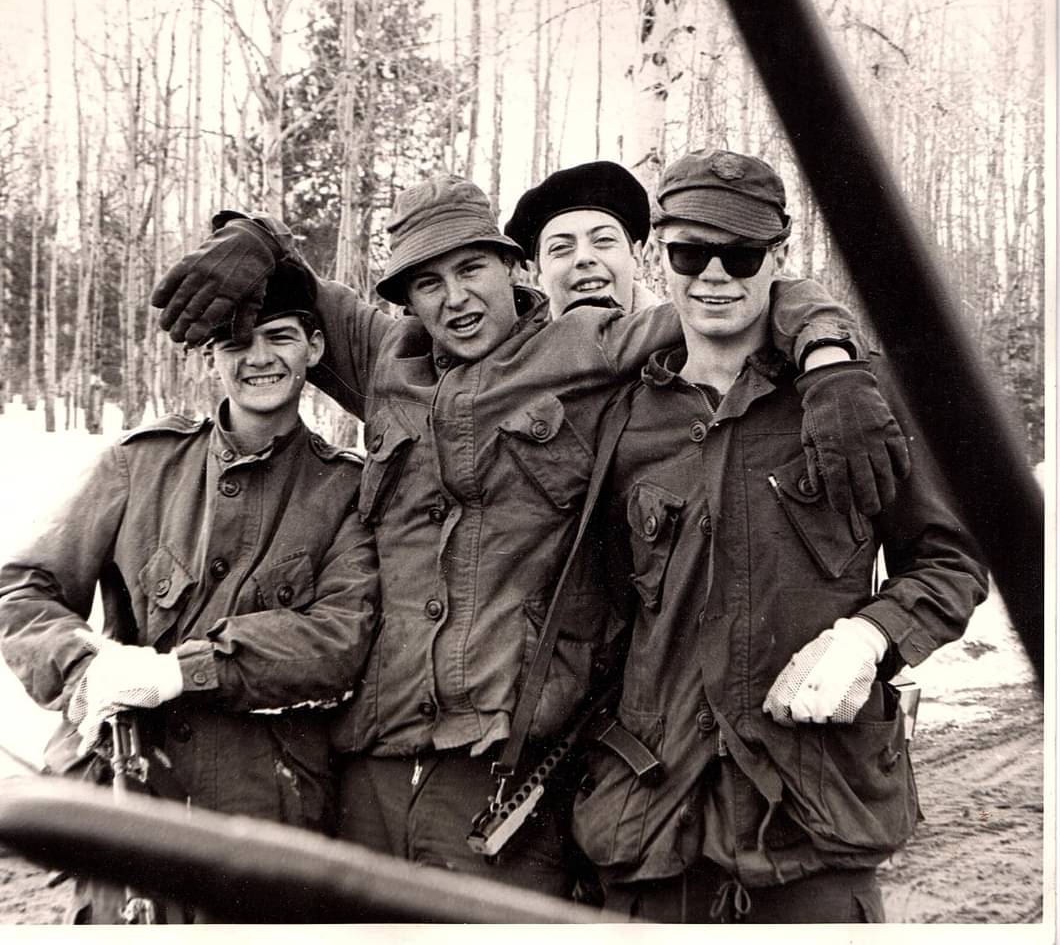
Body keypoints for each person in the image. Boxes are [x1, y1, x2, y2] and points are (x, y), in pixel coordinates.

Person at [147, 173, 908, 899]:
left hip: (505, 779)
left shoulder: (591, 348)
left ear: (512, 268)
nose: (456, 298)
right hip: (368, 766)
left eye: (472, 268)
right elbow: (295, 279)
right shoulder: (386, 356)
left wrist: (830, 356)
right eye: (428, 283)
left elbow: (735, 294)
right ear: (407, 299)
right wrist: (247, 235)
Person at [570, 150, 988, 924]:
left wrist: (869, 638)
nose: (715, 275)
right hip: (655, 832)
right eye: (691, 252)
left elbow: (952, 560)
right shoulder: (620, 417)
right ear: (660, 254)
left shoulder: (859, 397)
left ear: (781, 257)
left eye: (743, 253)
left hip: (814, 826)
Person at [0, 266, 379, 923]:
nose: (258, 358)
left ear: (313, 350)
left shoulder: (346, 489)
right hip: (129, 809)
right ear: (209, 356)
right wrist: (87, 668)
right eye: (234, 342)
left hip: (267, 825)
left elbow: (340, 635)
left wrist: (179, 671)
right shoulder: (141, 463)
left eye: (279, 337)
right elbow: (23, 591)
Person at [504, 160, 657, 316]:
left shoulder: (679, 335)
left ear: (637, 258)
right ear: (535, 274)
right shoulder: (520, 341)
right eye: (560, 247)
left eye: (604, 240)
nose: (584, 257)